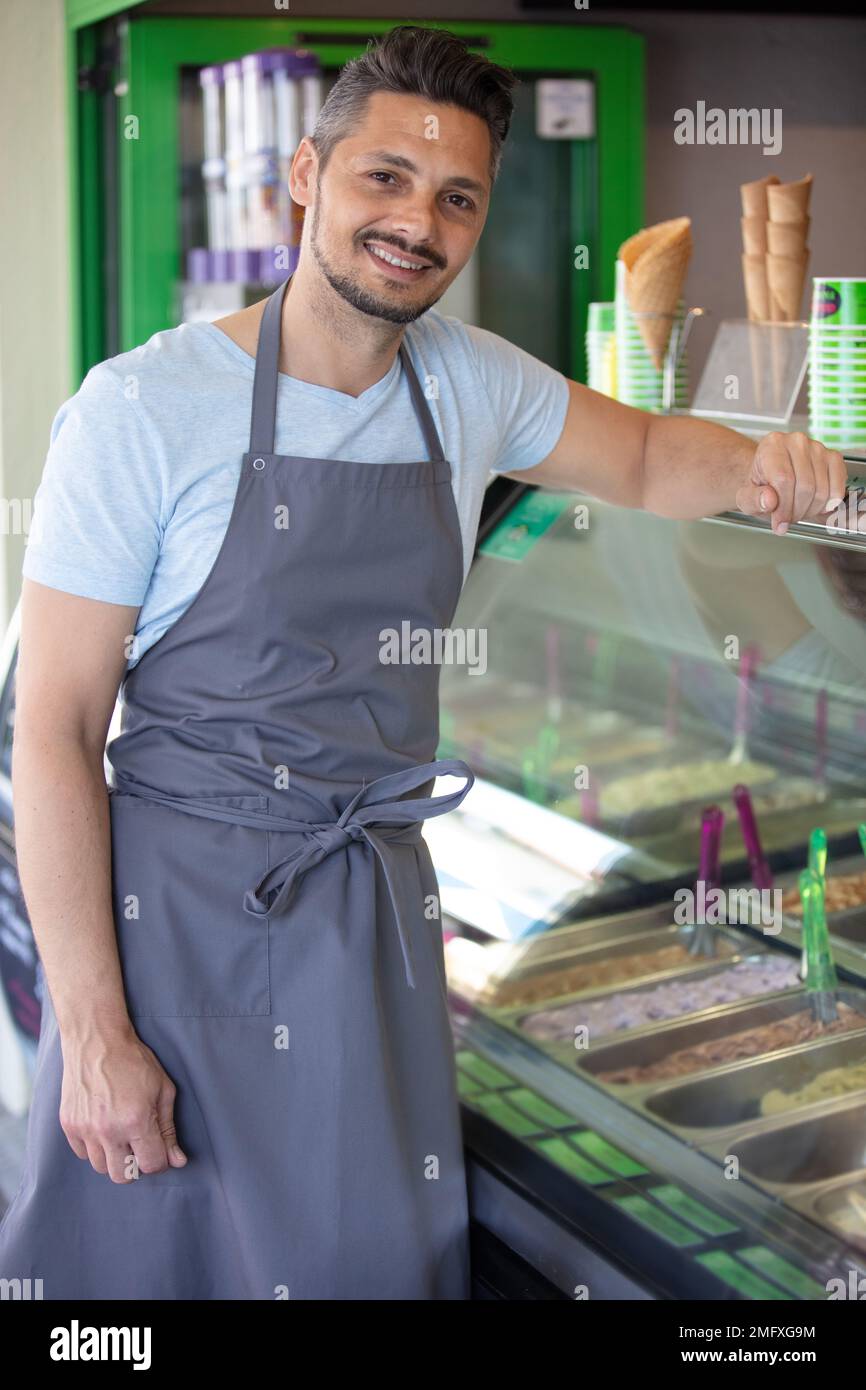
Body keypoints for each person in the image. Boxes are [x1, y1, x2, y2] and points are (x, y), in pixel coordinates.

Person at [0, 23, 848, 1301]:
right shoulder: (137, 409)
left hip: (372, 916)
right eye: (382, 179)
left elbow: (637, 460)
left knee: (366, 1266)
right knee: (158, 1279)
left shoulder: (467, 383)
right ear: (305, 175)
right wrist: (100, 1037)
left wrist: (764, 462)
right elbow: (54, 730)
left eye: (456, 197)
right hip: (174, 931)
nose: (416, 223)